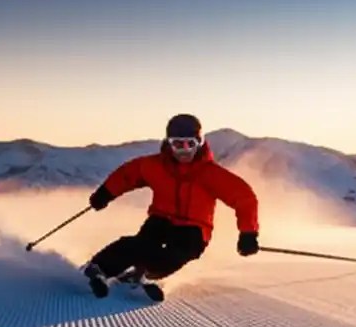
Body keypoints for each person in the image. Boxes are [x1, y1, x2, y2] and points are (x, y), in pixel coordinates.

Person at [83, 113, 260, 299]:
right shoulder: (156, 166)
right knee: (141, 245)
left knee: (178, 253)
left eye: (190, 144)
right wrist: (106, 193)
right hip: (161, 218)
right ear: (169, 143)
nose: (184, 151)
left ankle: (148, 273)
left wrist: (248, 233)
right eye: (178, 144)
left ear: (199, 143)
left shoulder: (210, 174)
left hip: (194, 227)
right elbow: (128, 175)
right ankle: (100, 268)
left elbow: (244, 198)